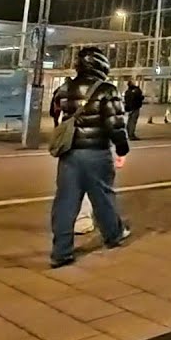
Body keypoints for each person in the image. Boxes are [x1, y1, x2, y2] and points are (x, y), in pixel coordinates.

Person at [49, 47, 132, 268]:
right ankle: (113, 235)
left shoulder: (65, 87)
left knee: (65, 202)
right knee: (103, 197)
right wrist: (122, 150)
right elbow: (115, 124)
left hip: (69, 154)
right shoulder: (107, 90)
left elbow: (55, 111)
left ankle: (61, 252)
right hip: (96, 153)